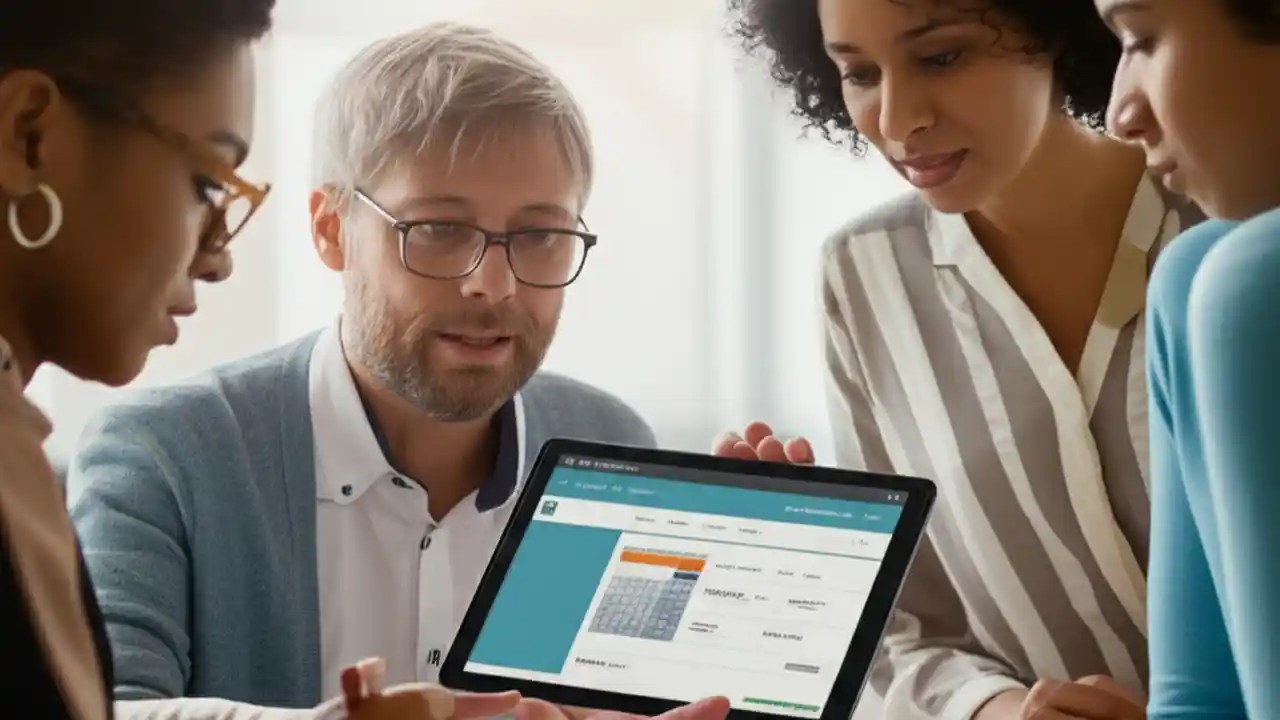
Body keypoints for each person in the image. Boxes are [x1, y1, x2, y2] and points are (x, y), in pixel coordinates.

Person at [66, 21, 727, 720]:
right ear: (330, 230)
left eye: (537, 235)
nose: (494, 285)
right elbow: (99, 710)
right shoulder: (166, 456)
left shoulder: (606, 443)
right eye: (439, 230)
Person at [719, 0, 1203, 718]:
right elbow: (906, 630)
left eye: (941, 57)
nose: (895, 121)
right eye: (858, 73)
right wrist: (1005, 711)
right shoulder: (863, 275)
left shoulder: (1228, 224)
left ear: (1054, 32)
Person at [1099, 0, 1280, 717]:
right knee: (1198, 268)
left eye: (1142, 37)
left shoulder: (1255, 289)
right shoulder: (1196, 283)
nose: (1118, 113)